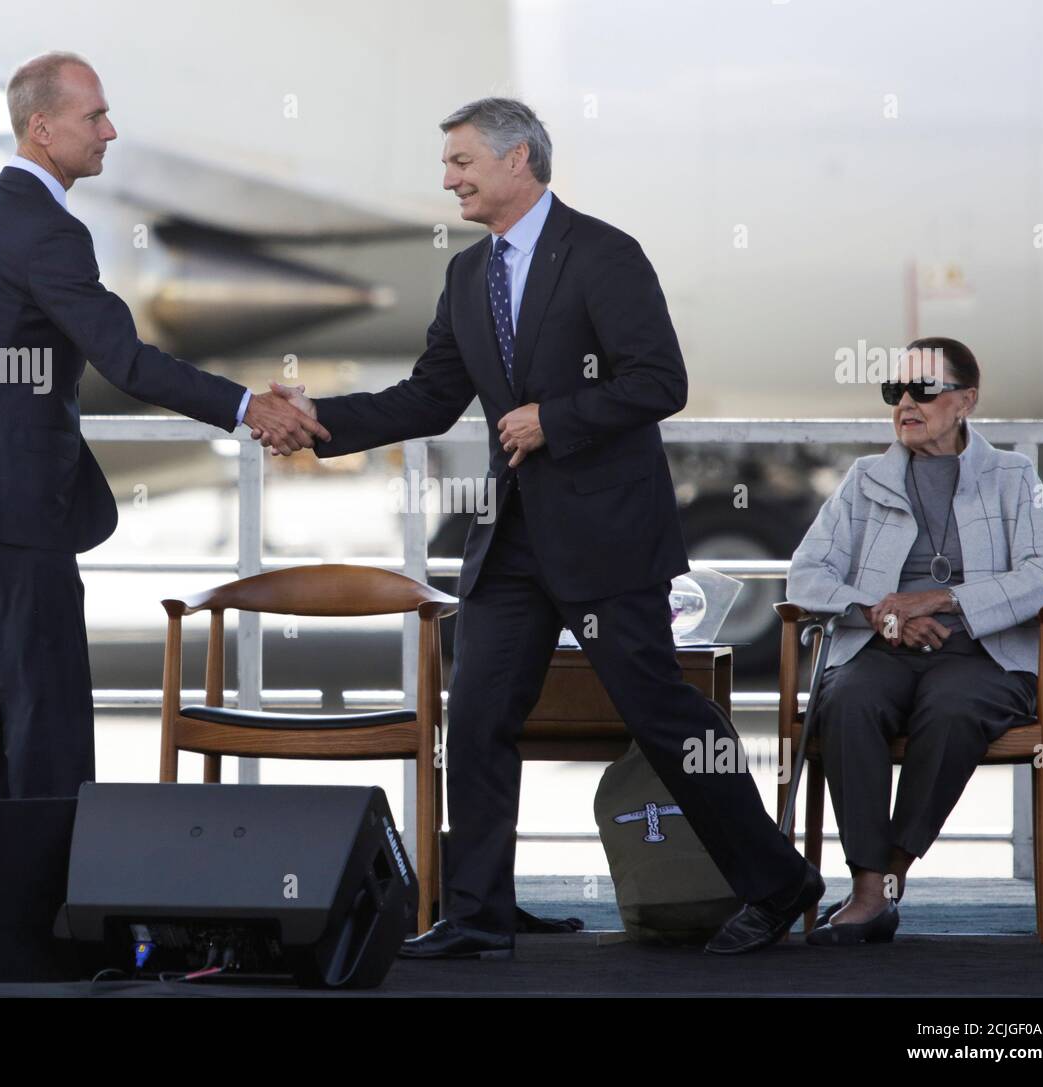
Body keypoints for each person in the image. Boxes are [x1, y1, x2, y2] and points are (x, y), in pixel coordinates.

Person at [255, 97, 820, 957]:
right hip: (512, 539)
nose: (447, 178)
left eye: (460, 161)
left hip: (606, 537)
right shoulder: (465, 276)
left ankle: (779, 882)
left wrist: (554, 418)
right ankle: (481, 913)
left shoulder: (604, 254)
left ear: (519, 160)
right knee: (477, 719)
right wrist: (317, 419)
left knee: (660, 713)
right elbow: (430, 396)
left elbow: (659, 381)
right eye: (446, 164)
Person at [0, 51, 327, 801]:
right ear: (41, 127)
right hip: (19, 505)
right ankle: (46, 896)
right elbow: (124, 360)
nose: (110, 131)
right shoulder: (50, 232)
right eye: (93, 117)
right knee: (46, 705)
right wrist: (246, 407)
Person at [786, 337, 1043, 945]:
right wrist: (877, 612)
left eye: (924, 390)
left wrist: (942, 599)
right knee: (848, 701)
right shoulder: (865, 480)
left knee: (953, 709)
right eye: (896, 391)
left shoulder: (1014, 477)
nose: (906, 403)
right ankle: (868, 889)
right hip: (883, 645)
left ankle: (885, 880)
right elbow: (806, 575)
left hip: (982, 652)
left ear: (965, 400)